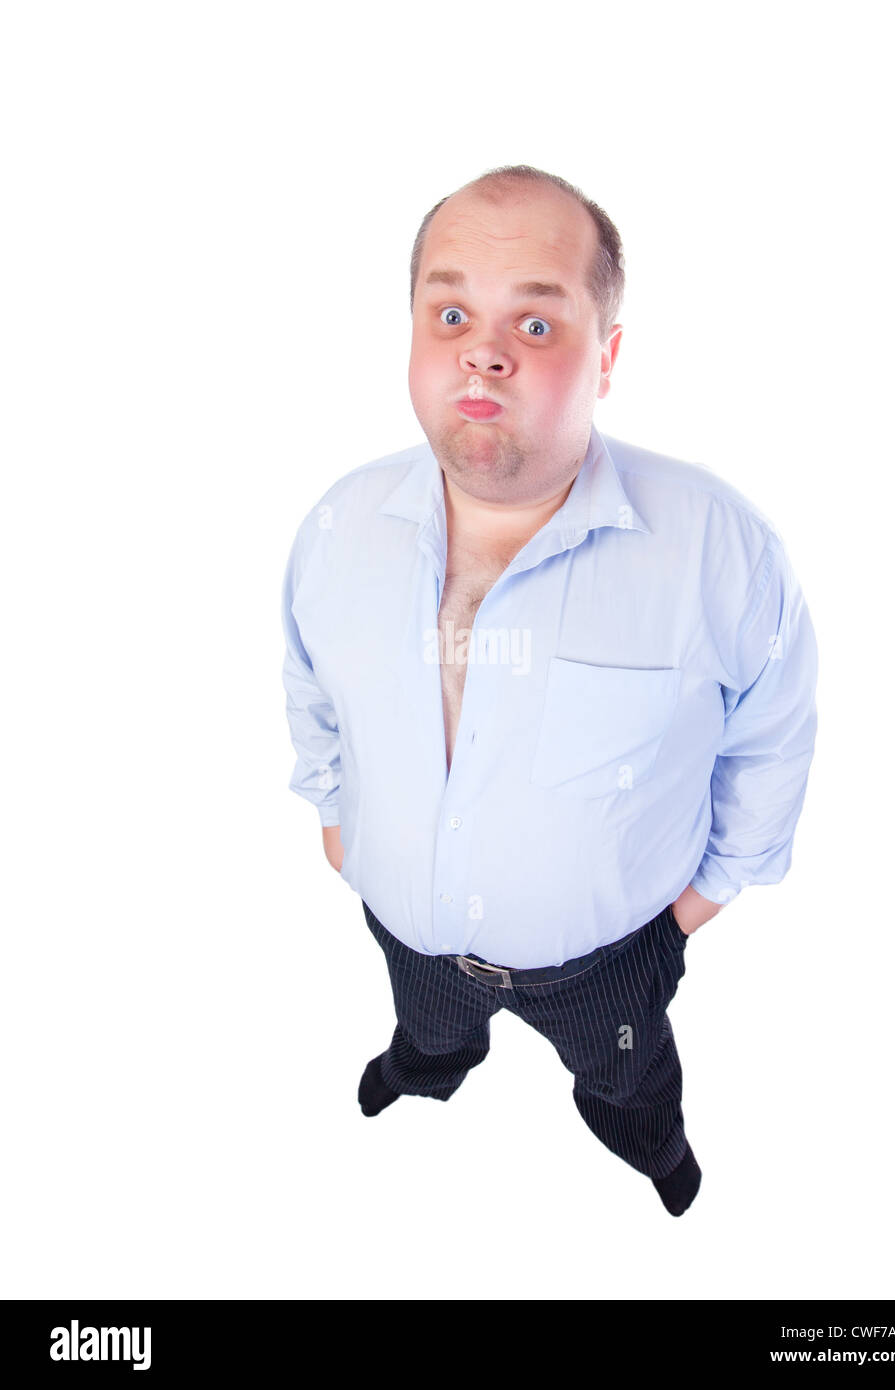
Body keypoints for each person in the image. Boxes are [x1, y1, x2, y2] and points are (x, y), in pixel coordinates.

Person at [280, 164, 818, 1216]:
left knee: (627, 1071)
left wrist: (695, 907)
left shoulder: (717, 548)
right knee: (427, 1024)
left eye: (534, 324)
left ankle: (648, 1143)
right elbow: (310, 684)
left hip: (609, 963)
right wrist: (337, 822)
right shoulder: (336, 529)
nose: (483, 348)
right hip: (407, 928)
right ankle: (428, 1066)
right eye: (450, 312)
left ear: (605, 355)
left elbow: (772, 734)